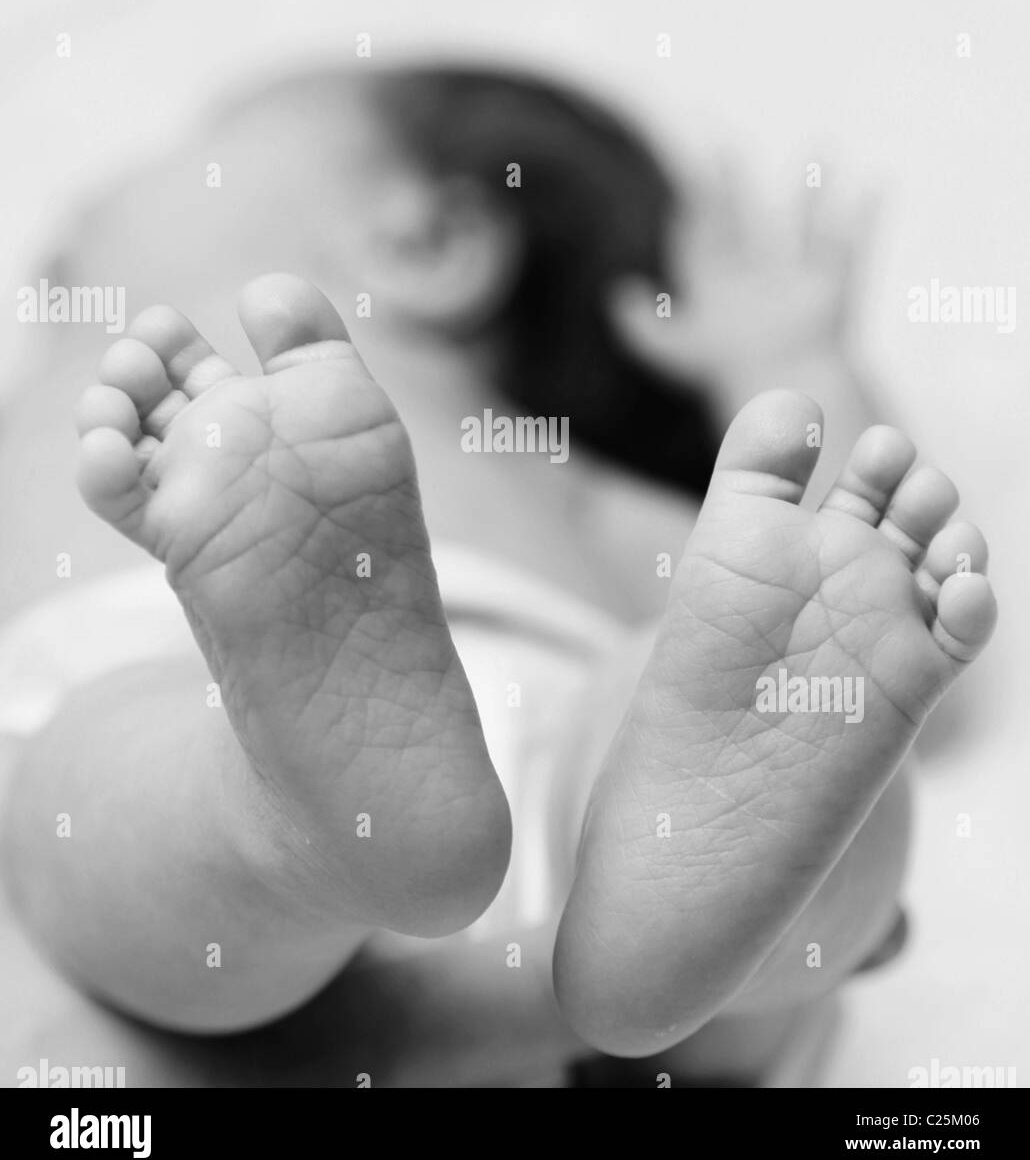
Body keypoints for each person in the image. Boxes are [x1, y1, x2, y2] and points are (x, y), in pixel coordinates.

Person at [0, 65, 995, 1086]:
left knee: (87, 802)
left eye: (199, 131)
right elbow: (842, 571)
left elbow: (827, 599)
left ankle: (338, 835)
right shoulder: (559, 487)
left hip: (563, 828)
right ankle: (326, 824)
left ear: (426, 240)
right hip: (547, 832)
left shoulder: (87, 392)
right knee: (122, 793)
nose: (85, 196)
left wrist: (782, 357)